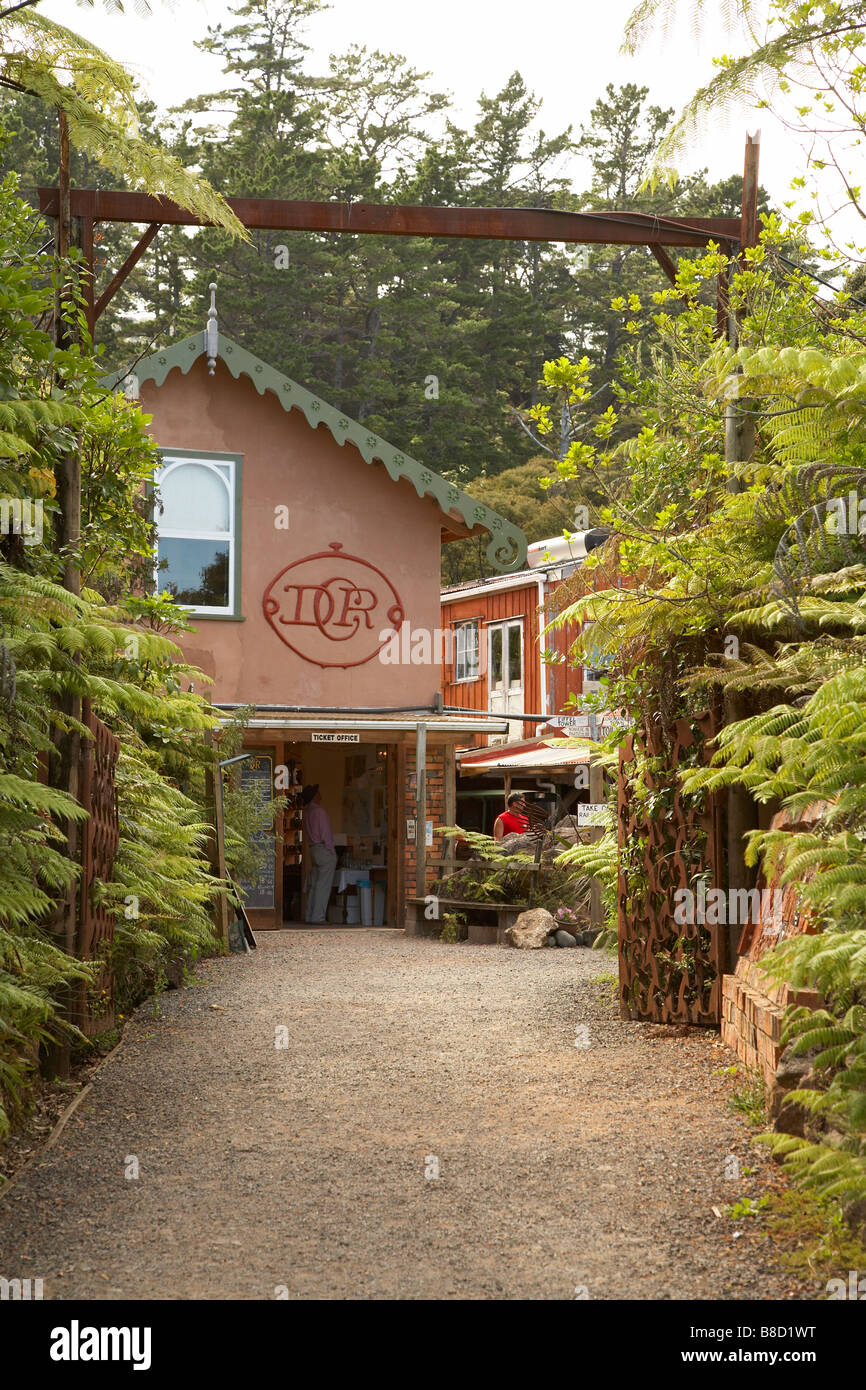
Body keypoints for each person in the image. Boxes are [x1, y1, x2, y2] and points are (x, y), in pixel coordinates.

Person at [302, 784, 336, 923]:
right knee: (323, 885)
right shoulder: (320, 812)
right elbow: (326, 834)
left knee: (315, 884)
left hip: (313, 849)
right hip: (323, 849)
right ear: (315, 795)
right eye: (318, 792)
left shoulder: (307, 812)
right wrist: (331, 850)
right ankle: (318, 917)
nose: (320, 794)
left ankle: (310, 915)